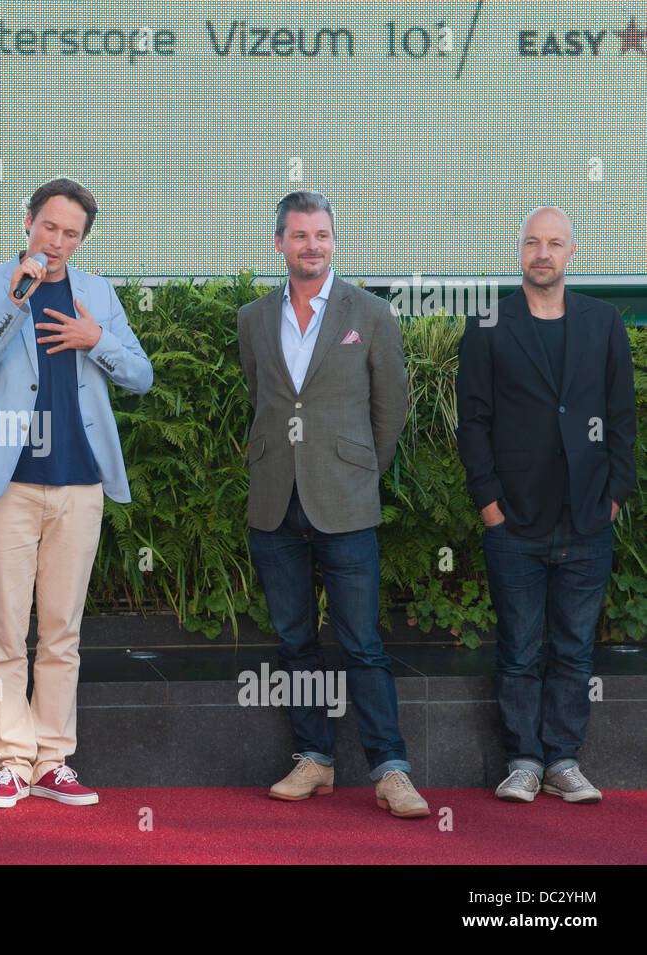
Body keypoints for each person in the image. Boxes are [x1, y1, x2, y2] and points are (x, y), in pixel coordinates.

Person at [0, 178, 153, 808]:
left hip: (80, 485)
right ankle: (11, 761)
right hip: (6, 483)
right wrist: (18, 302)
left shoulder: (97, 294)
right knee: (7, 633)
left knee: (62, 633)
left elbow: (141, 376)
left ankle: (53, 760)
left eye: (71, 232)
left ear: (83, 238)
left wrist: (101, 341)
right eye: (49, 227)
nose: (58, 241)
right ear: (28, 223)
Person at [237, 191, 428, 818]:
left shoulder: (369, 313)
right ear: (279, 244)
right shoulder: (253, 318)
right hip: (274, 502)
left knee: (362, 641)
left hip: (344, 500)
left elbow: (389, 407)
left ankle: (391, 770)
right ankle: (314, 758)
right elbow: (261, 397)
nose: (311, 245)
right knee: (294, 643)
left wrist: (353, 466)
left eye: (321, 234)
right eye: (298, 235)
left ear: (333, 240)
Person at [456, 206, 635, 804]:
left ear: (571, 253)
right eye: (533, 242)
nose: (543, 253)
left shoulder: (603, 321)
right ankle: (524, 760)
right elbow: (473, 420)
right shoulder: (488, 323)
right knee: (519, 647)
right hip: (514, 519)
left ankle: (563, 759)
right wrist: (488, 503)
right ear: (520, 251)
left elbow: (621, 417)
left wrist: (615, 494)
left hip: (588, 516)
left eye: (555, 243)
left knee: (575, 648)